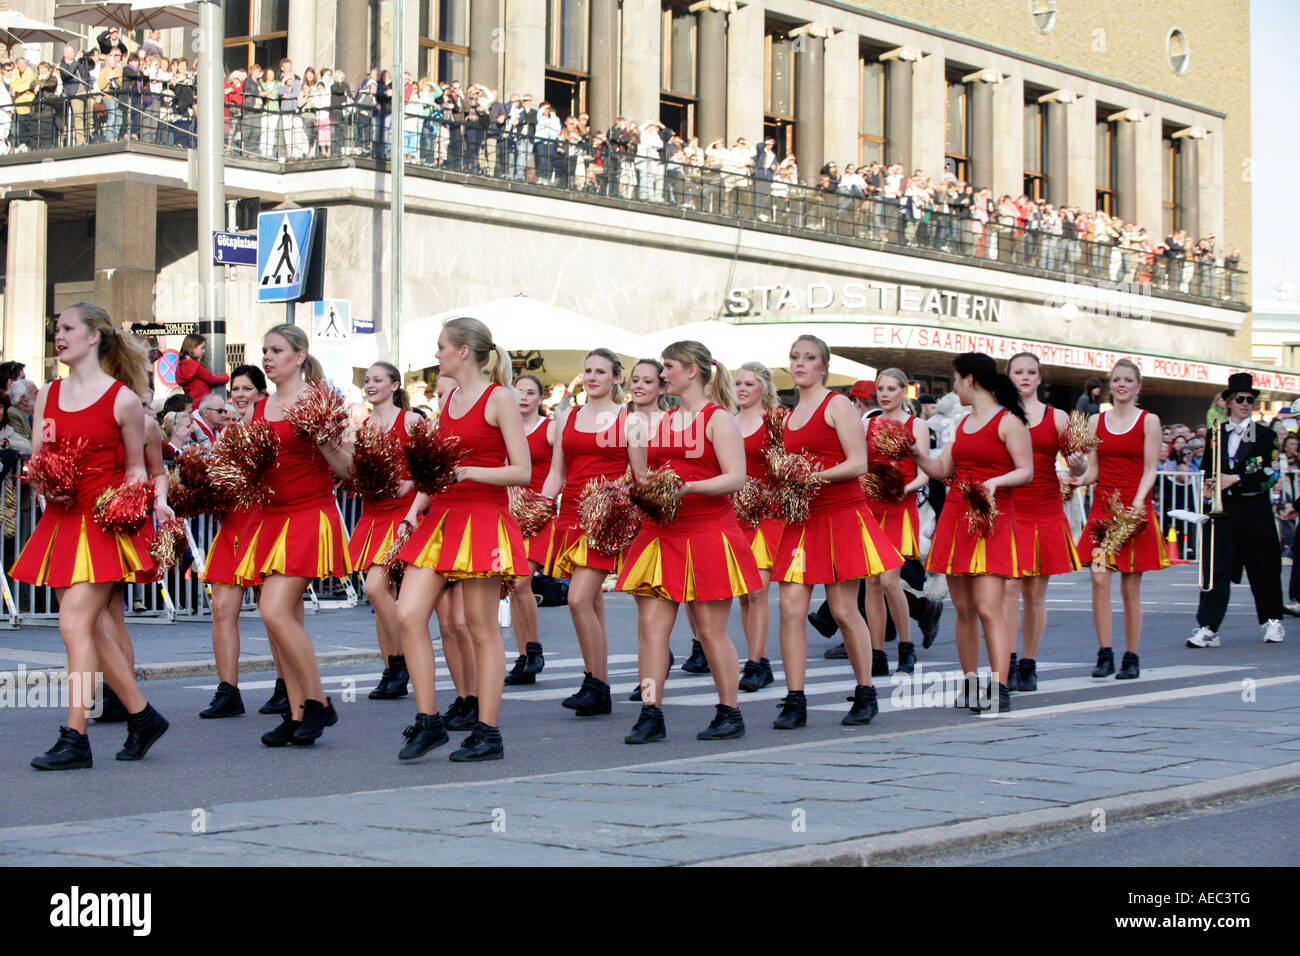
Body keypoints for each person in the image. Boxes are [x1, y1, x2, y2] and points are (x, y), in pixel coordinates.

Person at [10, 303, 169, 770]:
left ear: (95, 336)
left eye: (68, 328)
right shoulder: (49, 394)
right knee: (91, 628)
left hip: (102, 523)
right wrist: (44, 478)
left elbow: (138, 468)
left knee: (74, 624)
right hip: (60, 521)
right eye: (55, 328)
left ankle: (75, 737)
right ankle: (142, 715)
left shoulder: (122, 399)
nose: (59, 335)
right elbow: (38, 458)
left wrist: (137, 502)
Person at [393, 316, 530, 761]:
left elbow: (522, 471)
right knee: (409, 613)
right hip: (442, 519)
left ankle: (488, 732)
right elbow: (437, 469)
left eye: (440, 347)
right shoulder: (448, 399)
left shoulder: (500, 398)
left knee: (481, 628)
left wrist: (471, 471)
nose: (436, 355)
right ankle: (429, 719)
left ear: (463, 352)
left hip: (483, 521)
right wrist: (416, 507)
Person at [617, 342, 759, 743]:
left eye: (669, 367)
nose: (663, 374)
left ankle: (730, 711)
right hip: (661, 533)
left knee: (711, 631)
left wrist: (688, 487)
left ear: (693, 371)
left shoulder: (718, 419)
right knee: (650, 628)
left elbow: (735, 476)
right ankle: (650, 711)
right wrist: (633, 491)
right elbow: (648, 475)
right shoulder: (662, 420)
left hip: (708, 532)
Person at [770, 335, 903, 730]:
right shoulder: (790, 413)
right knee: (789, 608)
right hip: (802, 518)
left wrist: (810, 476)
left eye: (808, 358)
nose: (800, 364)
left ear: (823, 366)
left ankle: (866, 692)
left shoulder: (837, 404)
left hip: (840, 515)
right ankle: (795, 699)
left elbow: (858, 463)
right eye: (794, 357)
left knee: (845, 610)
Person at [233, 325, 354, 746]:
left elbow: (348, 469)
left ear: (300, 355)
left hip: (307, 516)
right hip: (269, 519)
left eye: (277, 350)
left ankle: (319, 702)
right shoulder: (259, 408)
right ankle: (298, 711)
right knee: (283, 620)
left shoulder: (319, 401)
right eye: (264, 350)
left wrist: (323, 439)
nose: (267, 357)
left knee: (274, 611)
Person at [911, 352, 1032, 714]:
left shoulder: (1008, 421)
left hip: (992, 519)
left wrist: (994, 482)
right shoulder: (962, 424)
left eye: (956, 380)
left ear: (970, 380)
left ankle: (999, 686)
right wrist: (915, 454)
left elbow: (1026, 471)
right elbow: (943, 468)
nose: (954, 387)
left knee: (987, 606)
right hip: (956, 517)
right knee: (963, 609)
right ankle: (969, 682)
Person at [541, 349, 630, 717]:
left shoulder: (629, 420)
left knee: (577, 599)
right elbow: (556, 473)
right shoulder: (567, 418)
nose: (592, 376)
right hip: (571, 515)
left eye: (600, 371)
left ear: (615, 379)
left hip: (604, 519)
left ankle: (595, 683)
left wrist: (615, 502)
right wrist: (539, 507)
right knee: (592, 604)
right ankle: (600, 684)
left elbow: (638, 475)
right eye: (588, 370)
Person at [1069, 359, 1168, 680]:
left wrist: (1137, 505)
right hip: (1102, 508)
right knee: (1099, 578)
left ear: (1138, 386)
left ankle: (1132, 655)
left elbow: (1151, 468)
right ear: (1110, 385)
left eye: (1127, 379)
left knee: (1130, 585)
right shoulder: (1096, 422)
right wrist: (1075, 475)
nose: (1121, 384)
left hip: (1134, 508)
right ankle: (1105, 652)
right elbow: (1093, 470)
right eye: (1116, 379)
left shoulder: (1149, 421)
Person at [199, 365, 285, 718]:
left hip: (263, 523)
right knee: (222, 609)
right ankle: (228, 690)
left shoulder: (268, 427)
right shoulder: (225, 433)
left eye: (247, 388)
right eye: (235, 388)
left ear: (261, 393)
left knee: (274, 612)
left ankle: (286, 682)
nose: (238, 394)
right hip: (233, 525)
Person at [1001, 352, 1081, 693]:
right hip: (1010, 508)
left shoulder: (1059, 417)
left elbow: (1080, 467)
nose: (1025, 377)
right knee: (1008, 589)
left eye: (1031, 372)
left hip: (1045, 507)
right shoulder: (999, 415)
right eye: (1018, 371)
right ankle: (1008, 657)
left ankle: (1028, 663)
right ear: (1008, 376)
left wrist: (1076, 466)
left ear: (1040, 378)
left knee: (1035, 593)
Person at [1187, 373, 1285, 647]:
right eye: (1240, 399)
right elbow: (1208, 467)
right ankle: (1208, 626)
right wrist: (1209, 485)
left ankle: (1272, 621)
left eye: (1250, 400)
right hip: (1224, 509)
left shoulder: (1264, 435)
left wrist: (1238, 479)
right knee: (1215, 569)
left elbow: (1273, 474)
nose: (1245, 403)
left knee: (1263, 567)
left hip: (1255, 508)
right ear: (1228, 401)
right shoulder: (1216, 434)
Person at [347, 363, 420, 700]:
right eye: (367, 380)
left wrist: (411, 485)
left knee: (376, 587)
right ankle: (393, 667)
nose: (371, 385)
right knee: (381, 597)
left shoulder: (410, 420)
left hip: (402, 515)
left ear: (394, 385)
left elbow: (432, 467)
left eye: (378, 380)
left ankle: (402, 659)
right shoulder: (361, 427)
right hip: (373, 514)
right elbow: (349, 468)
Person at [861, 369, 931, 676]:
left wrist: (905, 488)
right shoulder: (867, 422)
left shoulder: (918, 425)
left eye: (891, 388)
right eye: (880, 388)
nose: (884, 394)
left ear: (904, 391)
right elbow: (860, 463)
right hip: (870, 508)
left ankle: (906, 645)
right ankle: (876, 652)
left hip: (900, 508)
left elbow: (925, 471)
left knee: (890, 580)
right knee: (871, 583)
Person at [733, 362, 782, 691]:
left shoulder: (774, 422)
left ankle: (753, 663)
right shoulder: (727, 421)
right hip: (734, 516)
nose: (742, 388)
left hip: (766, 515)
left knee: (758, 591)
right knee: (742, 595)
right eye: (738, 383)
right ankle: (760, 659)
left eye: (749, 383)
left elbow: (786, 468)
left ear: (763, 388)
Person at [503, 373, 554, 685]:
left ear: (540, 398)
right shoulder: (504, 429)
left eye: (530, 392)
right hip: (508, 514)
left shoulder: (550, 429)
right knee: (511, 586)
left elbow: (562, 467)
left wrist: (546, 502)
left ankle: (533, 649)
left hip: (539, 514)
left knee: (522, 582)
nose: (523, 397)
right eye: (518, 391)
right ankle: (524, 657)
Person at [176, 333, 229, 406]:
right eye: (202, 348)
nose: (204, 351)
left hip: (192, 403)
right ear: (193, 347)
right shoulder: (194, 365)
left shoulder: (182, 363)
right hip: (202, 403)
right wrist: (226, 377)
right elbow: (211, 379)